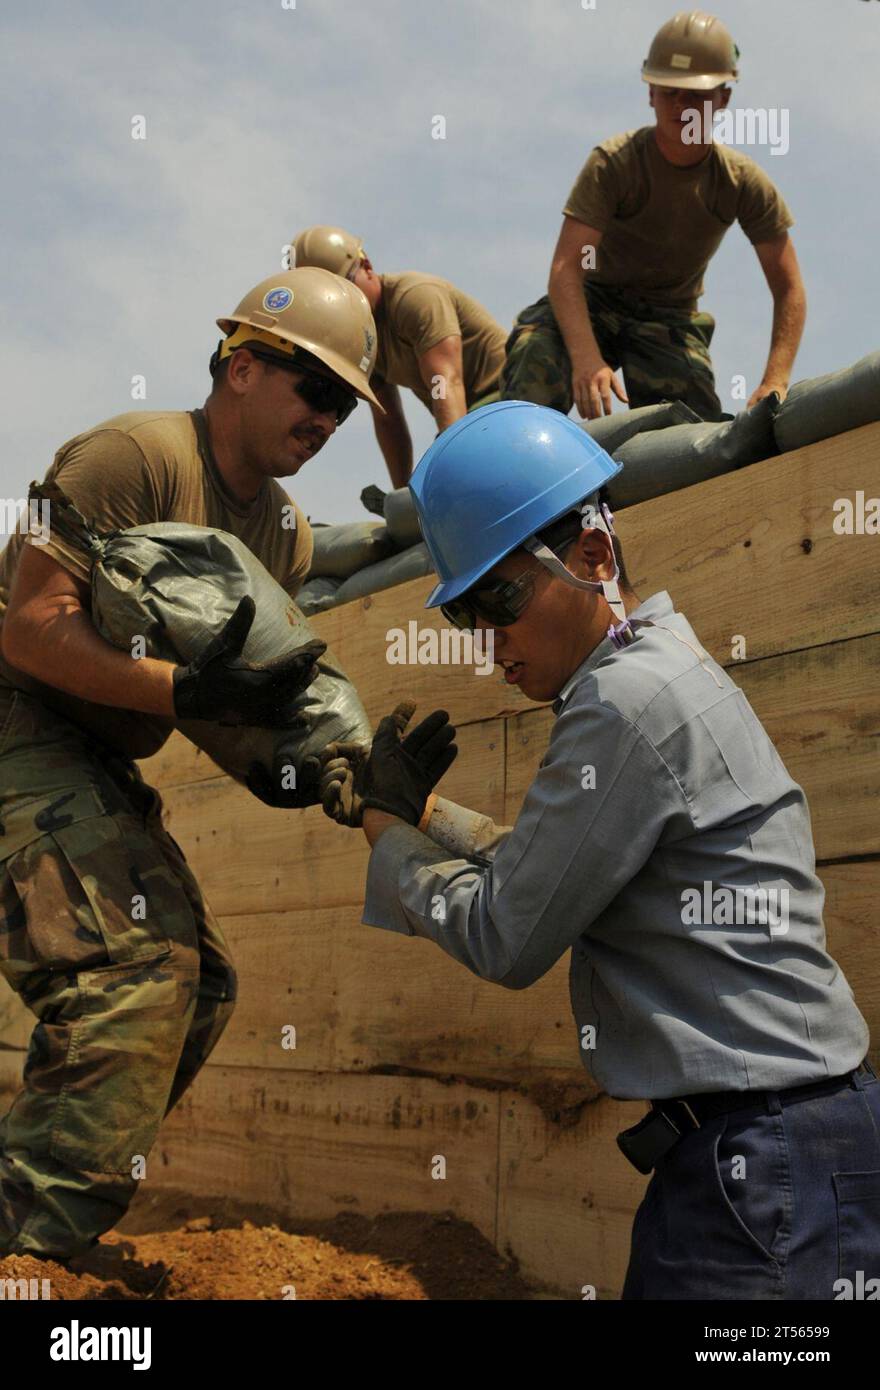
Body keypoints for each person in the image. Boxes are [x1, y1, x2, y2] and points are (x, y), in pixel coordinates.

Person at [318, 402, 877, 1301]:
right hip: (783, 1146)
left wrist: (384, 833)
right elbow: (553, 871)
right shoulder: (658, 673)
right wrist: (422, 814)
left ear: (592, 555)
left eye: (499, 601)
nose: (489, 644)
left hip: (761, 1160)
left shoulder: (621, 703)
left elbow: (508, 935)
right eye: (466, 615)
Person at [0, 266, 380, 1260]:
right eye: (317, 390)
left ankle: (32, 1214)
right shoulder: (122, 457)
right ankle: (30, 1251)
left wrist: (320, 774)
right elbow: (29, 626)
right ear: (242, 367)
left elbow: (234, 704)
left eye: (346, 405)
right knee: (132, 966)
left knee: (199, 981)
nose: (330, 419)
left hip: (94, 748)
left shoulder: (285, 537)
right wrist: (179, 694)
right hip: (14, 716)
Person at [501, 10, 806, 422]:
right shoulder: (614, 164)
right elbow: (566, 268)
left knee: (691, 434)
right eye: (669, 92)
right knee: (534, 360)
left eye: (696, 95)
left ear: (724, 98)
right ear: (650, 95)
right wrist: (587, 359)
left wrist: (776, 379)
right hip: (593, 297)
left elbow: (788, 286)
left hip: (670, 316)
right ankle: (521, 472)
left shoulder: (740, 182)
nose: (681, 105)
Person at [293, 224, 506, 486]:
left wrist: (457, 470)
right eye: (331, 296)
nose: (342, 301)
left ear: (367, 266)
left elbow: (446, 382)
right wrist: (402, 493)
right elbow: (388, 420)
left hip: (507, 398)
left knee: (455, 478)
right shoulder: (364, 338)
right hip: (470, 419)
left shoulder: (415, 298)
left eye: (347, 286)